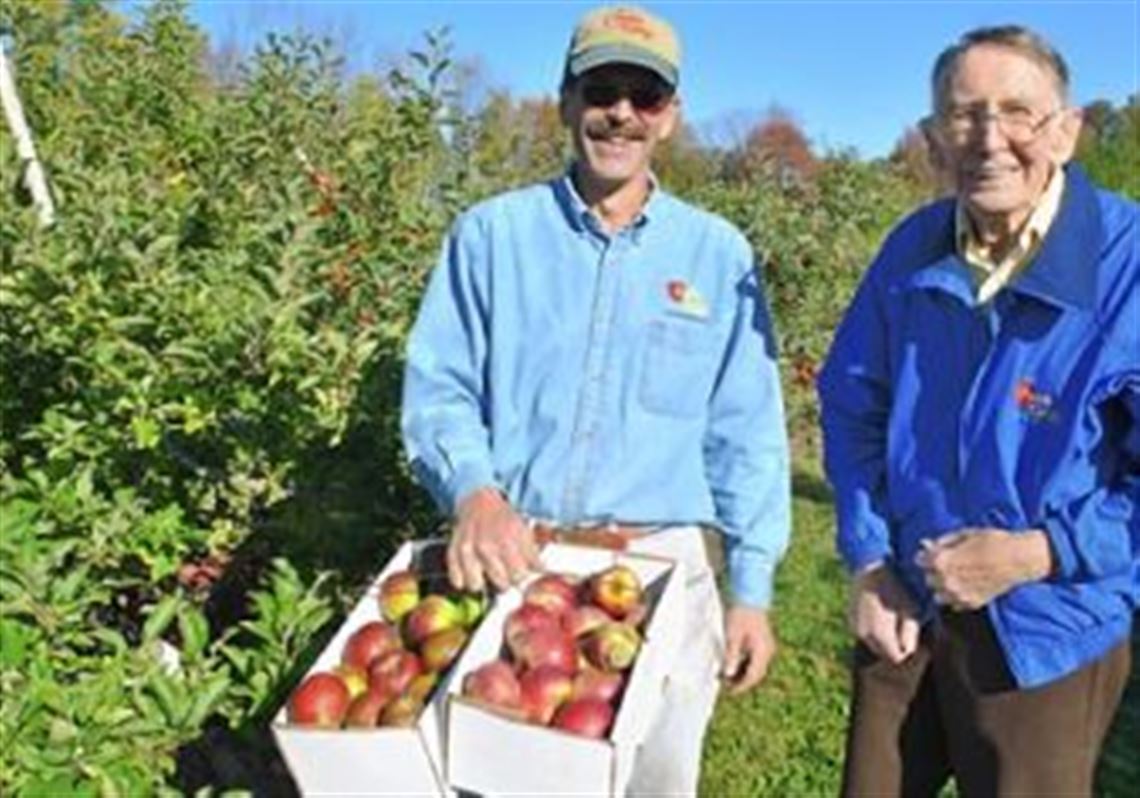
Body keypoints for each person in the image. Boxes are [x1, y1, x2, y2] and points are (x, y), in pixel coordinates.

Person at [401, 4, 791, 793]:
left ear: (670, 117)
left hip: (662, 566)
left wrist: (750, 589)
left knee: (653, 777)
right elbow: (439, 387)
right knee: (501, 776)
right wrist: (473, 492)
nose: (621, 113)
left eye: (644, 96)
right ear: (566, 101)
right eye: (601, 89)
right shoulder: (490, 238)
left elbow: (746, 431)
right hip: (519, 553)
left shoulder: (718, 256)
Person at [818, 25, 1137, 797]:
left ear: (1066, 131)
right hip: (905, 604)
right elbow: (851, 403)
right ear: (933, 138)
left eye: (1018, 112)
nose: (989, 139)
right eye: (963, 115)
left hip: (1048, 629)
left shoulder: (1125, 265)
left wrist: (1041, 552)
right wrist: (867, 558)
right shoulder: (913, 248)